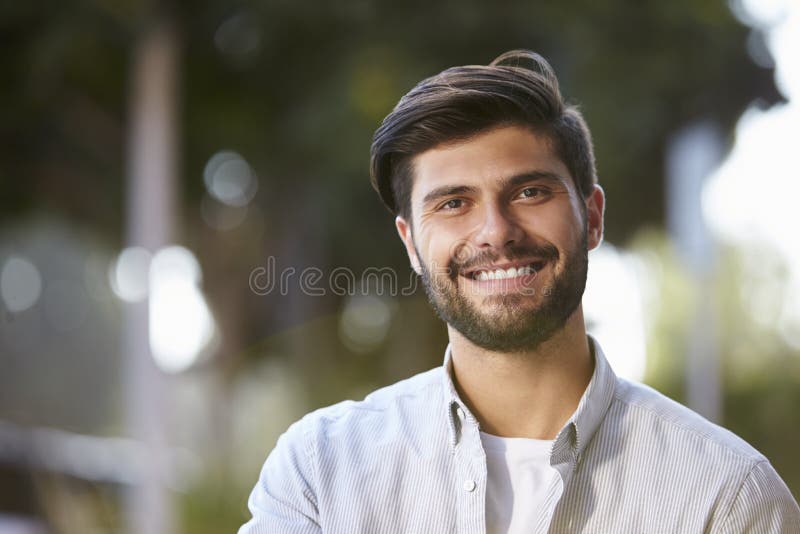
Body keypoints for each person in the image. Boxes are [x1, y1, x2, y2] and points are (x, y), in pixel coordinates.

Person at [239, 50, 800, 533]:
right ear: (410, 244)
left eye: (530, 192)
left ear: (593, 215)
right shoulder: (319, 471)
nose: (496, 232)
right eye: (453, 203)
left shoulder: (725, 495)